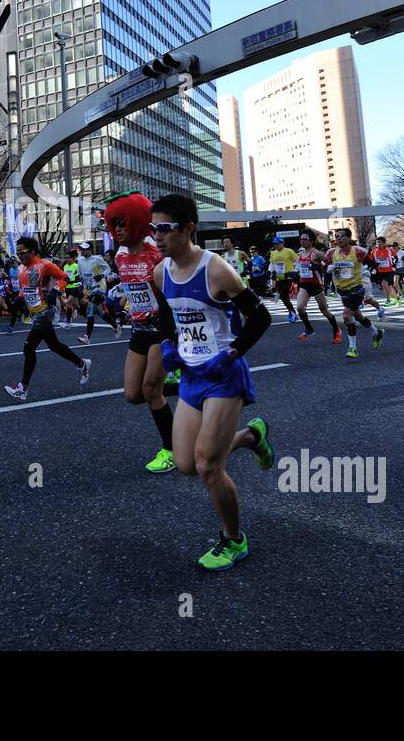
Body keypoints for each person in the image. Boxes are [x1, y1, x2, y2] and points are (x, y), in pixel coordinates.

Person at [150, 193, 274, 571]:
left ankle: (233, 540)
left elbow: (261, 317)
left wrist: (231, 353)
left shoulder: (216, 269)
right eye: (153, 228)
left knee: (207, 467)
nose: (157, 236)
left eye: (164, 228)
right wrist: (169, 345)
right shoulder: (160, 274)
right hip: (190, 376)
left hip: (223, 376)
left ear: (188, 228)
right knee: (186, 463)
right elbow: (169, 319)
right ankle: (251, 437)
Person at [105, 191, 175, 473]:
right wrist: (121, 305)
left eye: (124, 223)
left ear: (137, 221)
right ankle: (192, 387)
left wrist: (173, 336)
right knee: (133, 394)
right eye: (115, 224)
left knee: (150, 389)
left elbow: (171, 295)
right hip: (139, 330)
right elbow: (133, 289)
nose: (119, 230)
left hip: (162, 328)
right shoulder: (120, 257)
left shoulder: (157, 254)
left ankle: (170, 449)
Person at [4, 237, 90, 400]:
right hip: (35, 312)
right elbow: (25, 289)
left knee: (29, 348)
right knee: (54, 345)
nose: (20, 256)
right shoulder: (22, 268)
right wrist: (19, 299)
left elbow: (65, 277)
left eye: (23, 252)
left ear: (33, 251)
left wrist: (55, 291)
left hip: (46, 311)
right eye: (18, 253)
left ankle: (23, 388)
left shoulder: (45, 265)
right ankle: (82, 364)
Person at [326, 228, 384, 359]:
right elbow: (323, 265)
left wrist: (369, 271)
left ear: (348, 238)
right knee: (358, 316)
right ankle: (376, 332)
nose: (339, 238)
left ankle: (353, 348)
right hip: (342, 290)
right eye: (337, 236)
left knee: (347, 316)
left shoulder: (358, 251)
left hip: (357, 289)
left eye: (342, 236)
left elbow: (373, 263)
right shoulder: (331, 253)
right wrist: (327, 269)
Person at [293, 232, 341, 342]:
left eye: (305, 239)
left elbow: (328, 264)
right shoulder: (300, 254)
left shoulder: (317, 253)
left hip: (316, 285)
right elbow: (299, 268)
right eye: (301, 239)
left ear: (311, 241)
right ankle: (309, 329)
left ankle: (336, 330)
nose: (302, 241)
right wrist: (293, 273)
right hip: (304, 284)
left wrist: (315, 267)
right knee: (300, 308)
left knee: (324, 311)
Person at [76, 240, 118, 344]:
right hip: (90, 288)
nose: (82, 251)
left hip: (99, 287)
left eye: (84, 249)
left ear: (89, 250)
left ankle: (87, 337)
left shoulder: (97, 259)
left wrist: (102, 275)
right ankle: (116, 326)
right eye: (81, 249)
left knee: (90, 309)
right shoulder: (80, 260)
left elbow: (107, 269)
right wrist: (79, 278)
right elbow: (80, 273)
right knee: (100, 312)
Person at [267, 238, 298, 321]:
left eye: (277, 243)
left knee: (284, 295)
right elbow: (272, 264)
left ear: (282, 243)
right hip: (279, 278)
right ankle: (292, 312)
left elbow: (297, 261)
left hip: (288, 277)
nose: (275, 245)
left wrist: (294, 271)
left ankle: (292, 313)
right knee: (284, 297)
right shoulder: (273, 253)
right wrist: (269, 272)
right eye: (274, 244)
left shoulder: (289, 251)